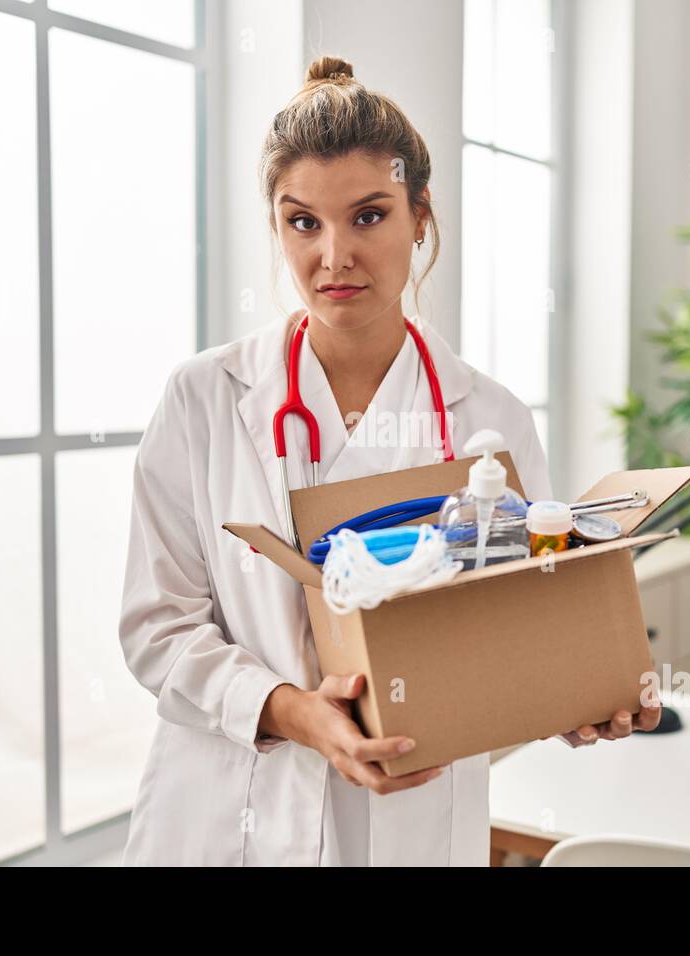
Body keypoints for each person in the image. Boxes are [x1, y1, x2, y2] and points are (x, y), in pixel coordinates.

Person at [118, 55, 659, 867]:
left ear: (420, 217)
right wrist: (294, 711)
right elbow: (156, 628)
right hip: (229, 821)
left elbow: (524, 621)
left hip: (414, 827)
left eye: (368, 216)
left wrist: (577, 698)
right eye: (303, 222)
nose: (334, 256)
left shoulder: (492, 420)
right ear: (277, 227)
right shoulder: (203, 401)